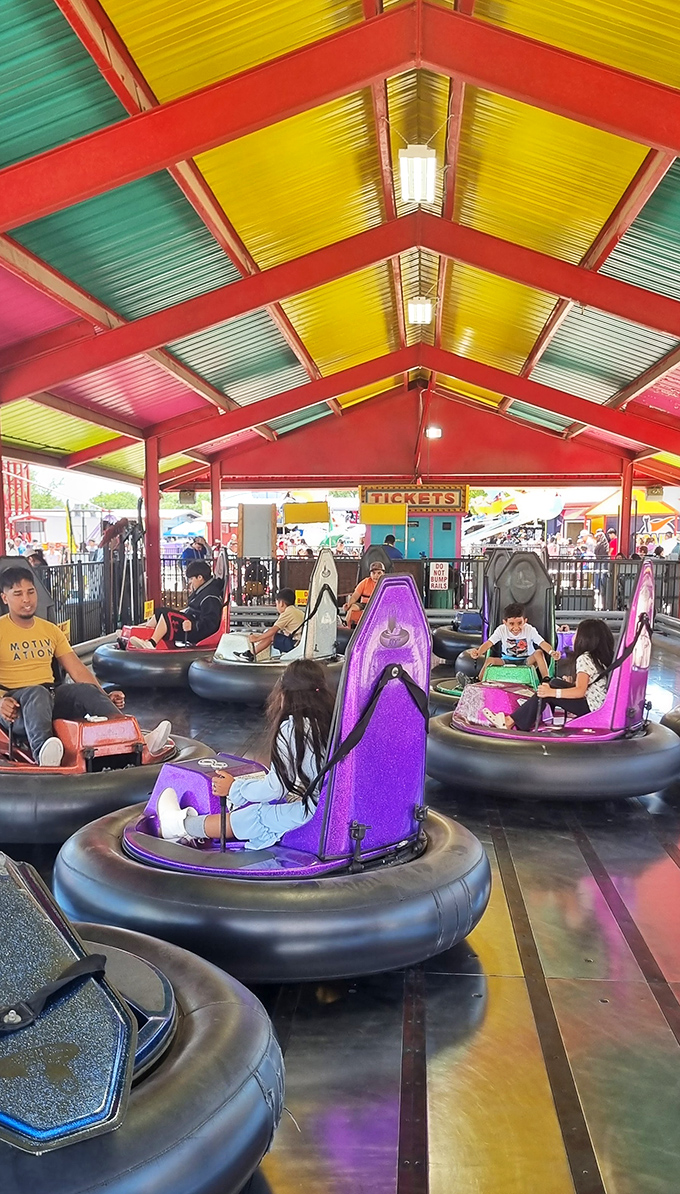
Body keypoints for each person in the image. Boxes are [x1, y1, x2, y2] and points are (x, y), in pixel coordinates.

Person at [0, 566, 170, 767]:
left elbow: (78, 670)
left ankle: (137, 740)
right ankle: (44, 753)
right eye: (18, 594)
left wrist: (102, 696)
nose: (26, 600)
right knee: (37, 693)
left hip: (50, 696)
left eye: (30, 592)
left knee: (84, 690)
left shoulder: (50, 630)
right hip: (16, 706)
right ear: (5, 598)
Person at [155, 659, 335, 848]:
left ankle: (179, 825)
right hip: (327, 809)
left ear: (284, 694)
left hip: (313, 816)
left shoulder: (293, 728)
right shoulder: (329, 722)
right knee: (270, 808)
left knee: (257, 815)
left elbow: (276, 787)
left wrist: (234, 788)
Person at [486, 617, 615, 732]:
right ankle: (544, 718)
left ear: (585, 638)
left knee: (548, 692)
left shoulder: (584, 658)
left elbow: (580, 692)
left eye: (576, 633)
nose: (574, 636)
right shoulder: (597, 657)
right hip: (597, 705)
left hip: (591, 708)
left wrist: (551, 693)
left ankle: (509, 721)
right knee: (554, 683)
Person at [128, 561, 223, 649]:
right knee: (160, 612)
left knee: (167, 615)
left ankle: (152, 643)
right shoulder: (203, 591)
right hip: (191, 623)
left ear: (200, 577)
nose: (190, 582)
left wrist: (194, 626)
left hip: (198, 631)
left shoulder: (210, 596)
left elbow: (211, 623)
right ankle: (137, 632)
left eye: (191, 579)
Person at [468, 601, 559, 681]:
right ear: (505, 622)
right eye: (511, 624)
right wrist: (478, 652)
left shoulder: (529, 629)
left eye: (519, 623)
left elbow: (542, 643)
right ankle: (478, 681)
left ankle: (546, 680)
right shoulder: (501, 630)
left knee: (539, 653)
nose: (516, 628)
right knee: (490, 660)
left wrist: (551, 652)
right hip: (507, 660)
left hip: (526, 660)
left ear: (525, 621)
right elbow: (489, 643)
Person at [237, 589, 305, 661]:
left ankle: (250, 654)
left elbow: (273, 630)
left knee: (271, 636)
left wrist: (257, 639)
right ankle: (250, 654)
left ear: (281, 603)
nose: (277, 607)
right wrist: (261, 636)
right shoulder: (298, 611)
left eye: (276, 604)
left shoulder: (288, 612)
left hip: (294, 644)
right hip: (300, 643)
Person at [344, 561, 385, 628]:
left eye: (379, 573)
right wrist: (349, 605)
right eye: (373, 573)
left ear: (383, 573)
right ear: (370, 574)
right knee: (353, 607)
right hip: (364, 604)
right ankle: (346, 625)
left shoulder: (385, 583)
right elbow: (354, 597)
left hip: (379, 605)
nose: (376, 576)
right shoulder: (365, 582)